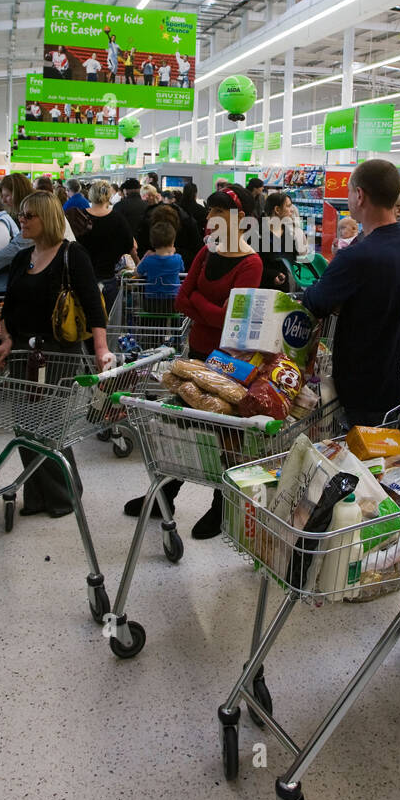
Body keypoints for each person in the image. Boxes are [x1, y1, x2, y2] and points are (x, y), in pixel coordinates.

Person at [123, 184, 262, 539]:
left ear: (239, 219)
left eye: (218, 212)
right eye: (210, 211)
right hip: (196, 355)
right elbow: (181, 300)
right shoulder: (205, 251)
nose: (211, 219)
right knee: (181, 430)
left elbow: (233, 323)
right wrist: (207, 308)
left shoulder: (251, 262)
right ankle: (165, 494)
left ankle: (221, 506)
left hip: (229, 364)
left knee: (224, 436)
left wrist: (201, 306)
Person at [0, 192, 113, 518]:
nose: (22, 220)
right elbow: (9, 306)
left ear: (48, 218)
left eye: (30, 215)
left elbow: (93, 308)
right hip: (21, 354)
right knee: (23, 426)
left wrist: (101, 350)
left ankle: (64, 496)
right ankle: (38, 494)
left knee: (49, 425)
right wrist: (6, 340)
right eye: (22, 215)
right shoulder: (21, 258)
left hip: (58, 352)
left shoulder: (73, 255)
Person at [303, 159, 400, 425]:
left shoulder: (356, 256)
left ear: (360, 196)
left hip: (371, 387)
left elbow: (315, 302)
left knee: (367, 462)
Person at [71, 178, 135, 311]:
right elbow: (131, 246)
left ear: (90, 194)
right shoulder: (117, 218)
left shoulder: (79, 216)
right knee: (108, 322)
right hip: (107, 277)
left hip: (82, 277)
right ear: (109, 195)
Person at [258, 191, 308, 289]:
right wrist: (273, 275)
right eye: (288, 206)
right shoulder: (257, 233)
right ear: (277, 209)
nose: (292, 210)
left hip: (285, 289)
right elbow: (254, 265)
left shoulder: (288, 232)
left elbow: (293, 260)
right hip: (265, 289)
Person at [136, 200, 200, 269]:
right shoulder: (145, 225)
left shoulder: (188, 224)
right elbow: (139, 251)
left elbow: (196, 255)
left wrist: (172, 252)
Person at [135, 219, 184, 299]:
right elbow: (181, 269)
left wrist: (144, 257)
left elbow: (136, 273)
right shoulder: (177, 259)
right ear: (172, 242)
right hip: (173, 302)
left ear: (152, 242)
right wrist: (172, 254)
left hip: (151, 303)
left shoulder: (148, 260)